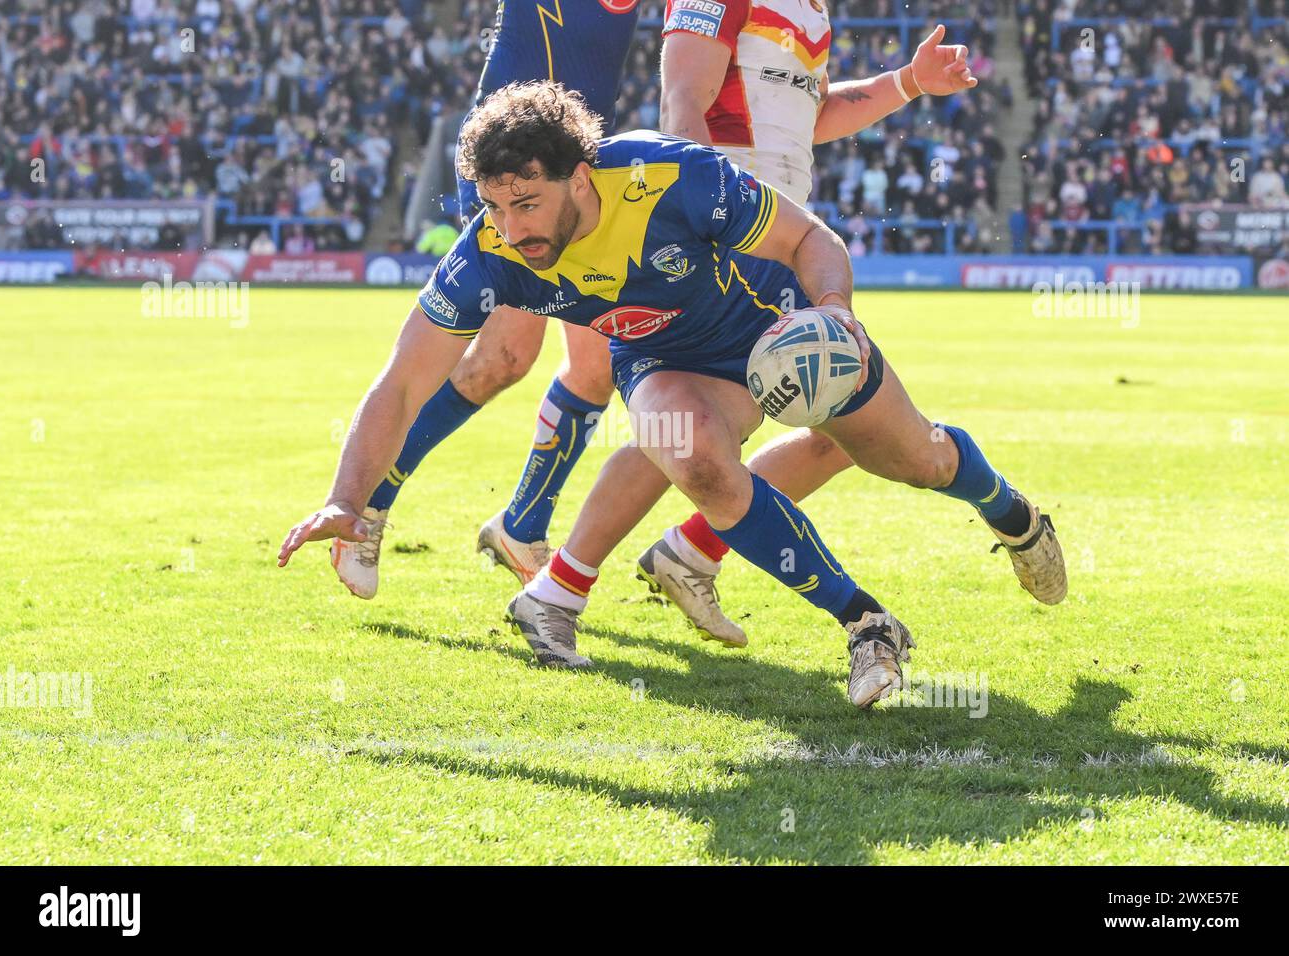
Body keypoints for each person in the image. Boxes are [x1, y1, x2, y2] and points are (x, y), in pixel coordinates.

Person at [280, 83, 1066, 709]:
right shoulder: (490, 251)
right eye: (494, 206)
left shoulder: (668, 177)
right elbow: (403, 381)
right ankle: (866, 624)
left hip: (779, 328)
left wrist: (834, 312)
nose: (512, 229)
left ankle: (1012, 514)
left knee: (921, 461)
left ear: (578, 177)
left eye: (527, 204)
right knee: (691, 457)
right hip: (662, 356)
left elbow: (809, 239)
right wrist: (347, 498)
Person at [330, 0, 642, 599]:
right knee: (503, 356)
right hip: (510, 161)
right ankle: (368, 504)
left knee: (595, 367)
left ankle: (520, 527)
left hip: (576, 167)